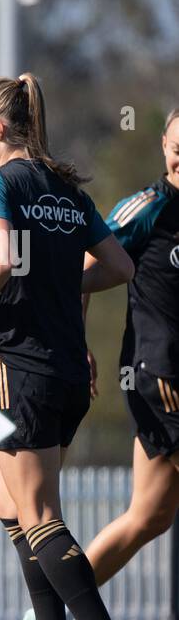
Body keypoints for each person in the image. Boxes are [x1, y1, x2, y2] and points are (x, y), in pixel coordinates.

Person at [0, 73, 137, 620]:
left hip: (20, 364)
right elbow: (119, 266)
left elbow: (0, 258)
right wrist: (63, 287)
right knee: (13, 506)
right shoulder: (66, 188)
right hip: (68, 371)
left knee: (37, 514)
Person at [80, 109, 179, 594]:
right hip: (162, 375)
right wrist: (76, 340)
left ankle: (51, 613)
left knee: (149, 515)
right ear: (164, 145)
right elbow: (83, 266)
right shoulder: (146, 208)